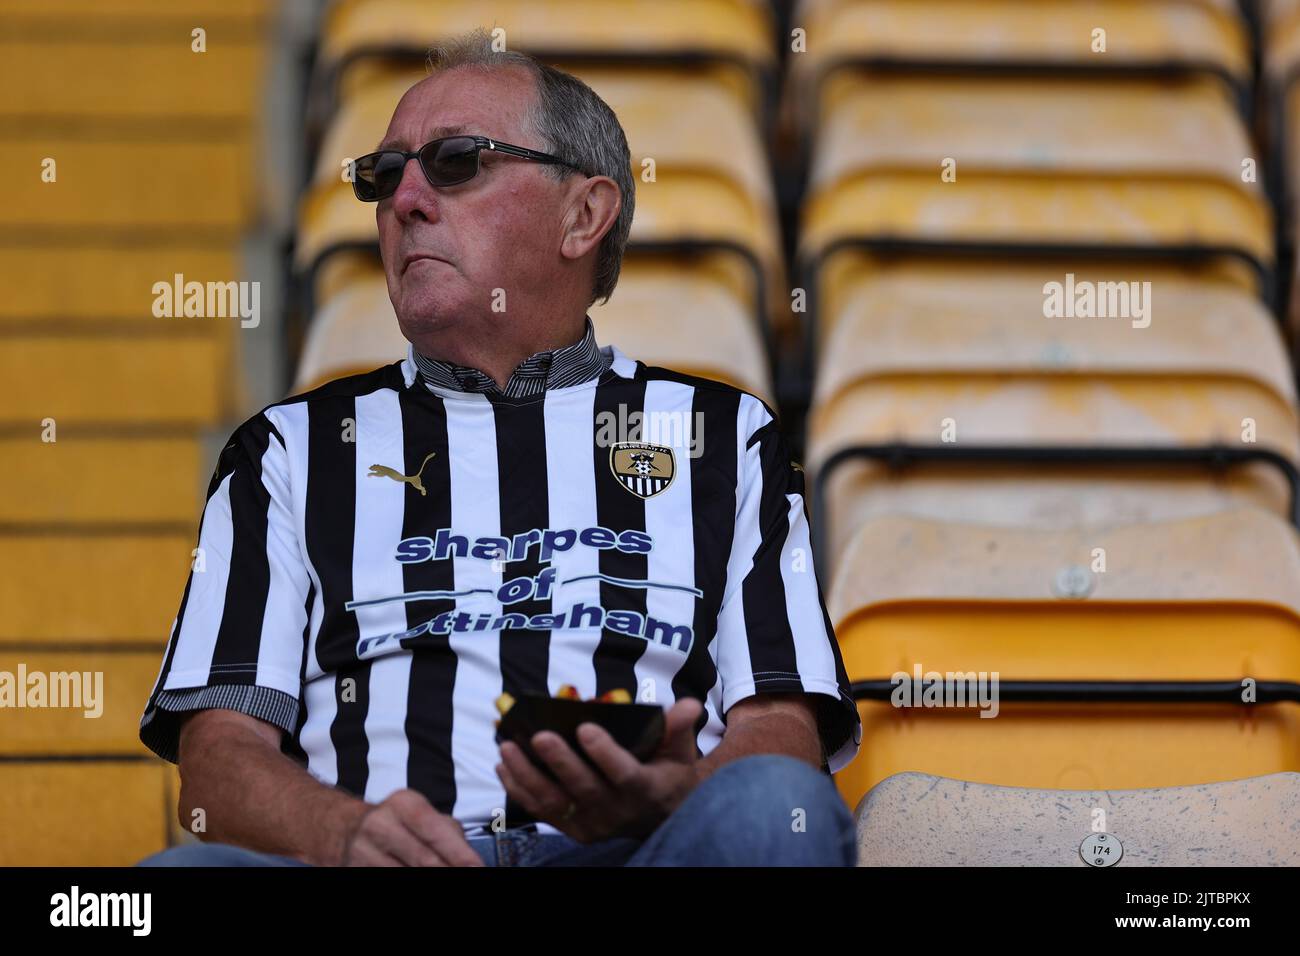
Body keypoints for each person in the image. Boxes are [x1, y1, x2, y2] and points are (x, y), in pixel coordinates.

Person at [138, 29, 861, 867]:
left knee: (774, 810)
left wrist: (682, 798)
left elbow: (782, 724)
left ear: (584, 214)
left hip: (636, 857)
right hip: (375, 863)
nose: (403, 200)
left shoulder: (726, 438)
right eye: (382, 177)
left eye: (454, 161)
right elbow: (217, 762)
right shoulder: (287, 452)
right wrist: (343, 833)